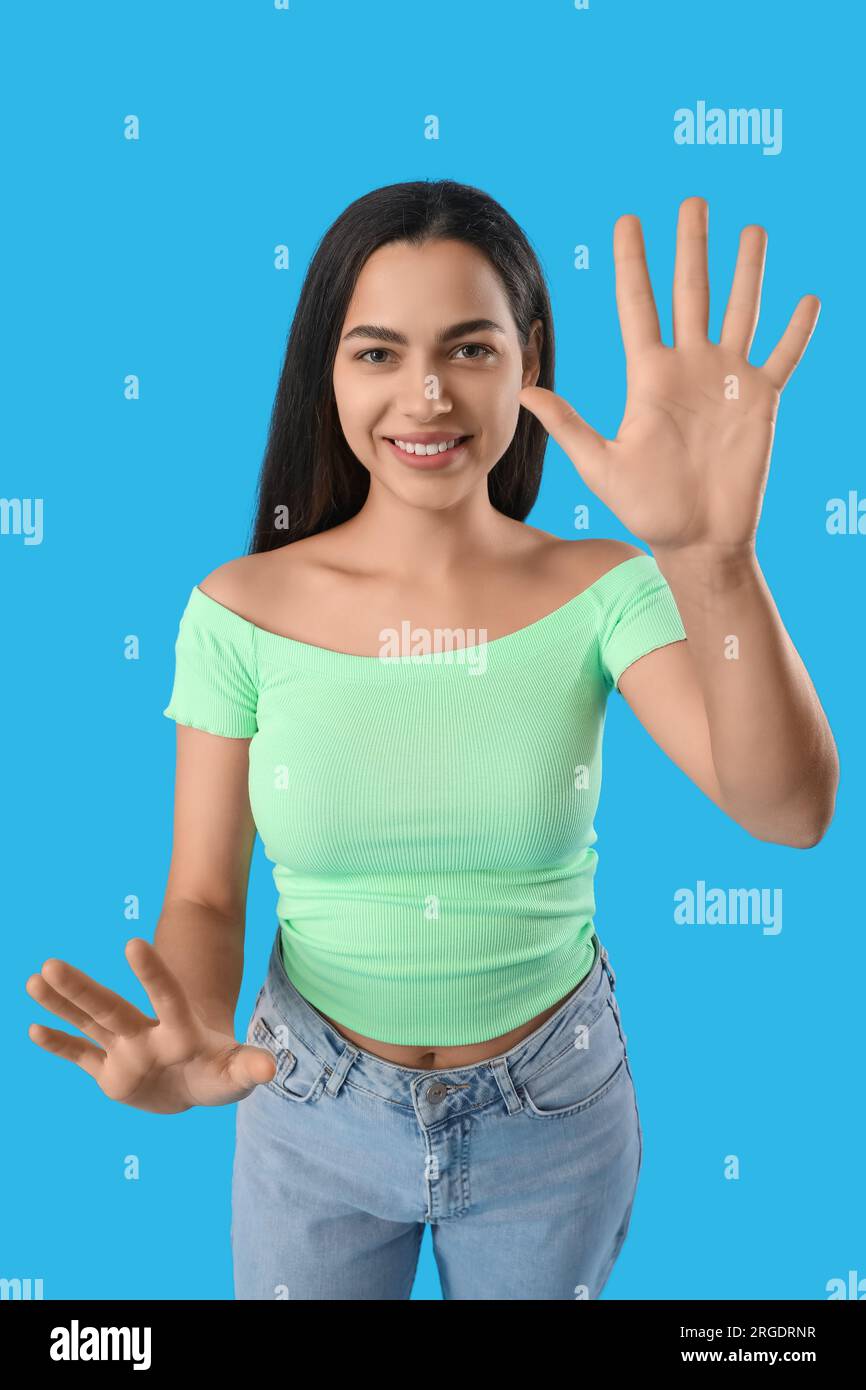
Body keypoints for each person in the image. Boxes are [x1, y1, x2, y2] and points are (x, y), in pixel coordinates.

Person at [26, 180, 838, 1301]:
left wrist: (713, 558)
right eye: (376, 353)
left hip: (552, 1113)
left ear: (527, 355)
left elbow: (786, 809)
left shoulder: (601, 588)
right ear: (329, 368)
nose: (424, 394)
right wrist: (196, 1030)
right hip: (308, 1107)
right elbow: (207, 894)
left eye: (467, 347)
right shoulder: (236, 610)